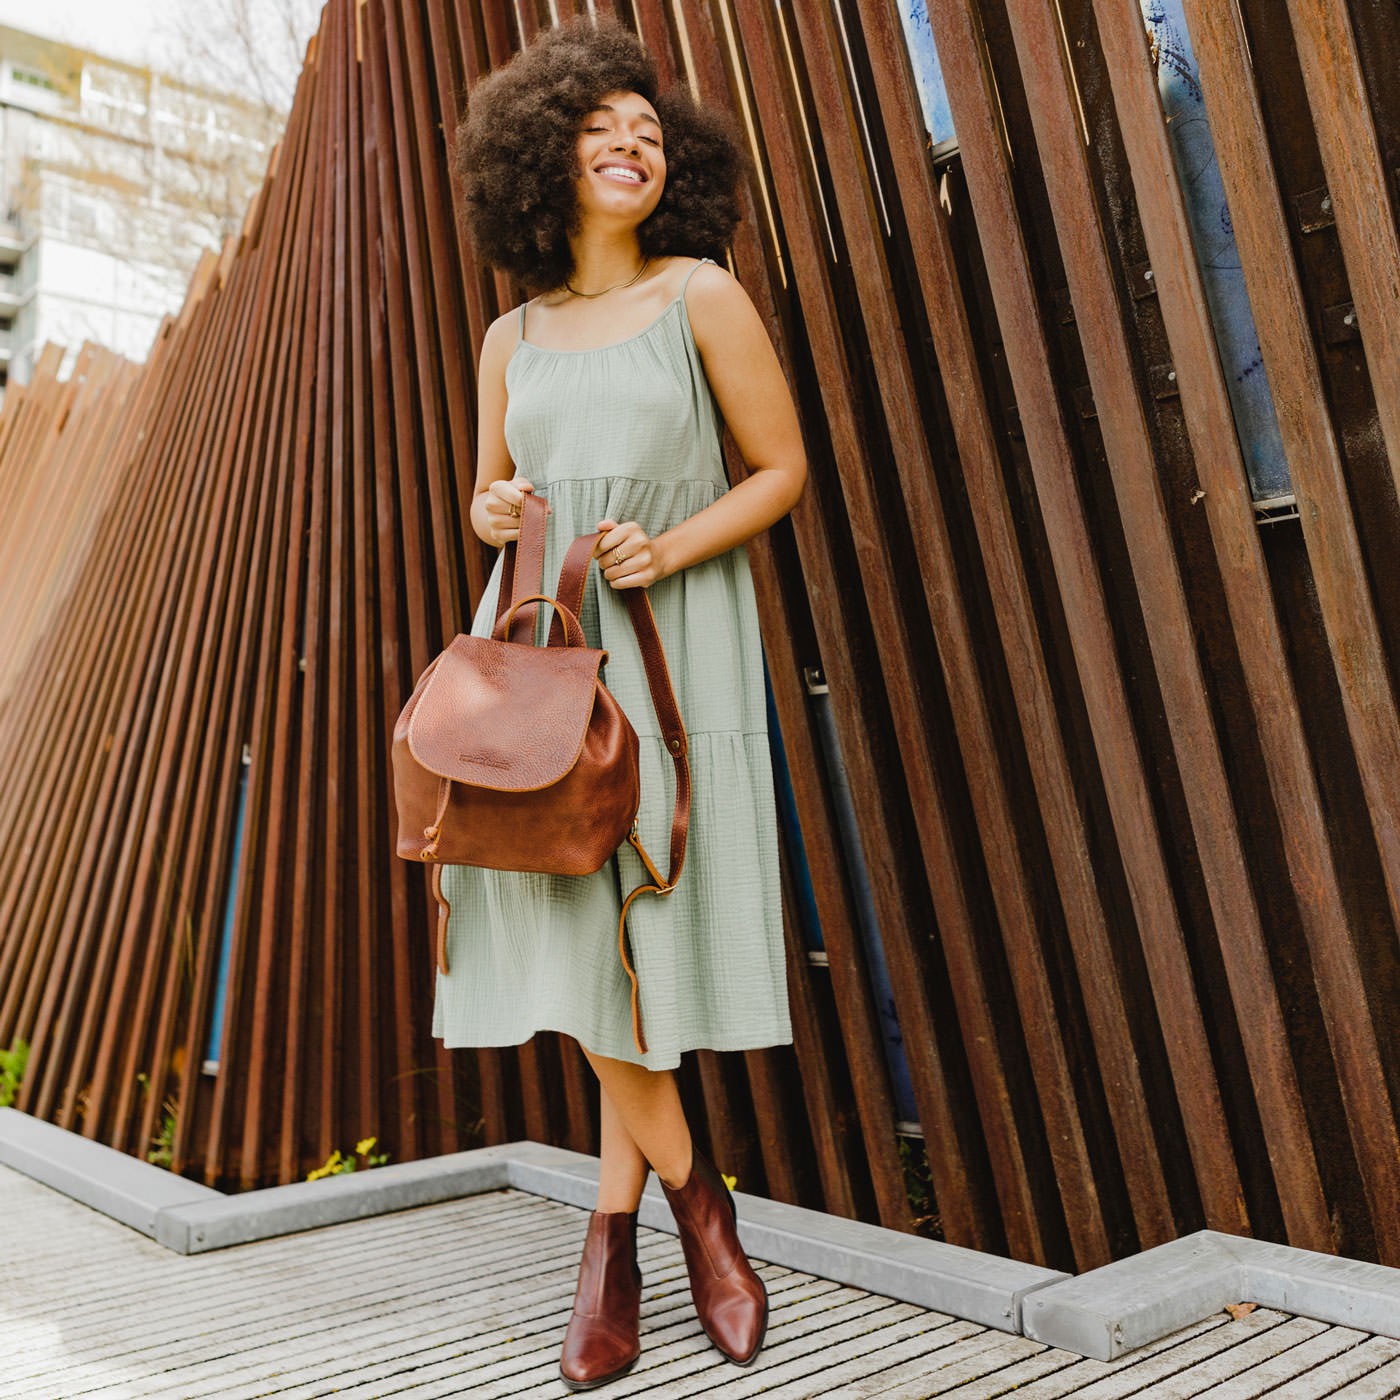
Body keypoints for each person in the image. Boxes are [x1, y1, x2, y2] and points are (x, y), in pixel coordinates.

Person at [435, 15, 807, 1390]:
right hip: (540, 666)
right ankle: (699, 1215)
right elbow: (495, 499)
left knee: (629, 940)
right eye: (602, 127)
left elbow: (781, 469)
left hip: (667, 646)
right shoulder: (508, 334)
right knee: (591, 944)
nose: (631, 143)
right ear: (544, 156)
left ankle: (613, 1244)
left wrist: (676, 542)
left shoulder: (702, 294)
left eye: (650, 130)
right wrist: (488, 509)